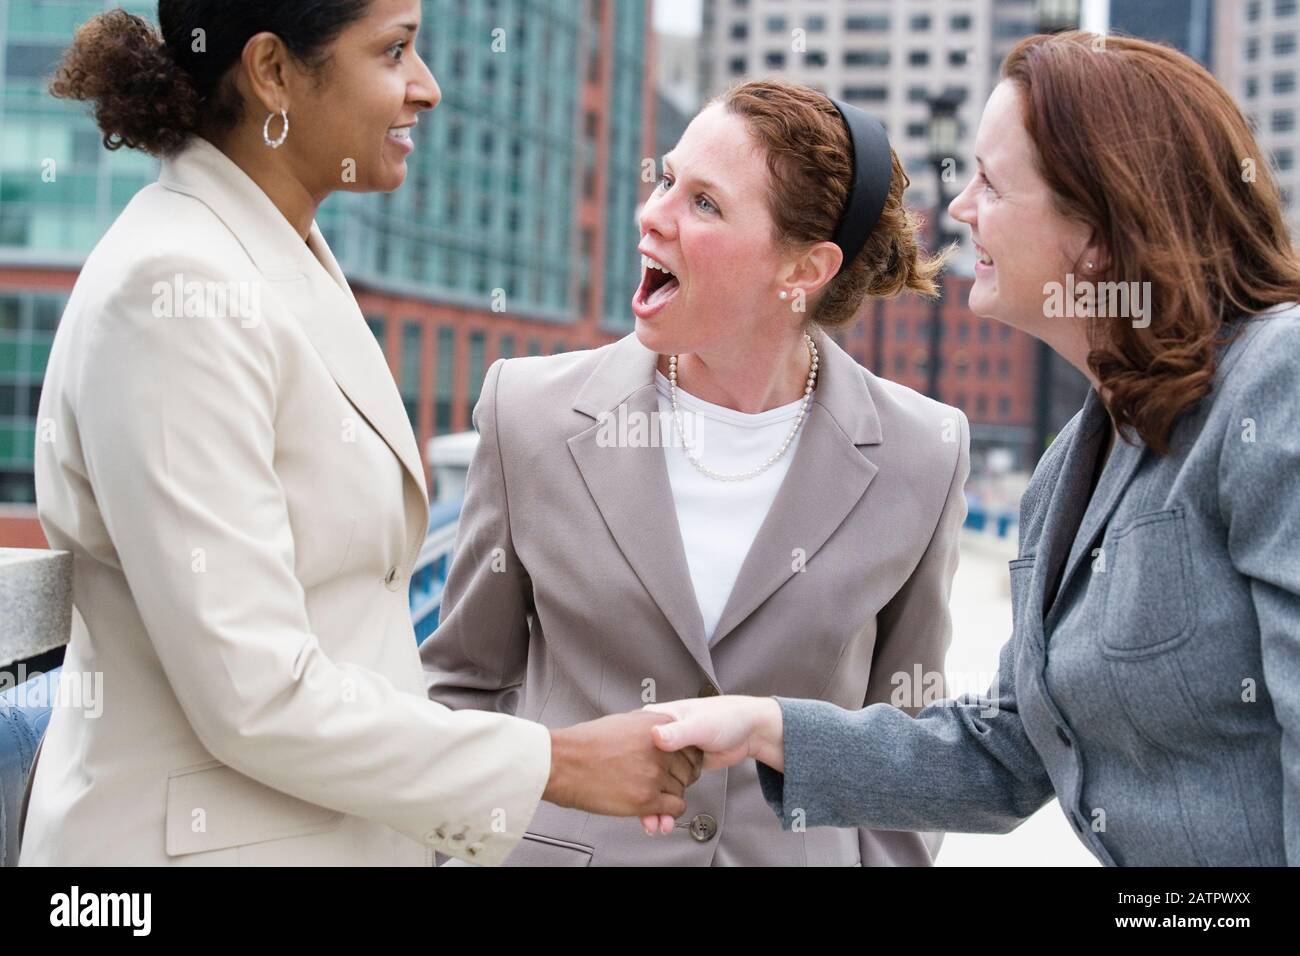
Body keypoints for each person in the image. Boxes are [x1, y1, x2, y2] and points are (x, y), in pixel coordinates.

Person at [19, 0, 698, 867]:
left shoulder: (275, 248)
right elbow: (252, 692)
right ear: (272, 72)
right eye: (395, 52)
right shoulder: (174, 291)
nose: (429, 89)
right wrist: (555, 764)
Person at [644, 32, 1300, 867]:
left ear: (1096, 226)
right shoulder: (1073, 468)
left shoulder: (1277, 381)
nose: (959, 210)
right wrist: (771, 728)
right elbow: (1007, 752)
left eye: (991, 183)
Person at [422, 79, 968, 866]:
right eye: (666, 179)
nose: (653, 213)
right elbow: (461, 685)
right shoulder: (529, 414)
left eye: (705, 203)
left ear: (804, 267)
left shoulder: (925, 451)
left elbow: (907, 733)